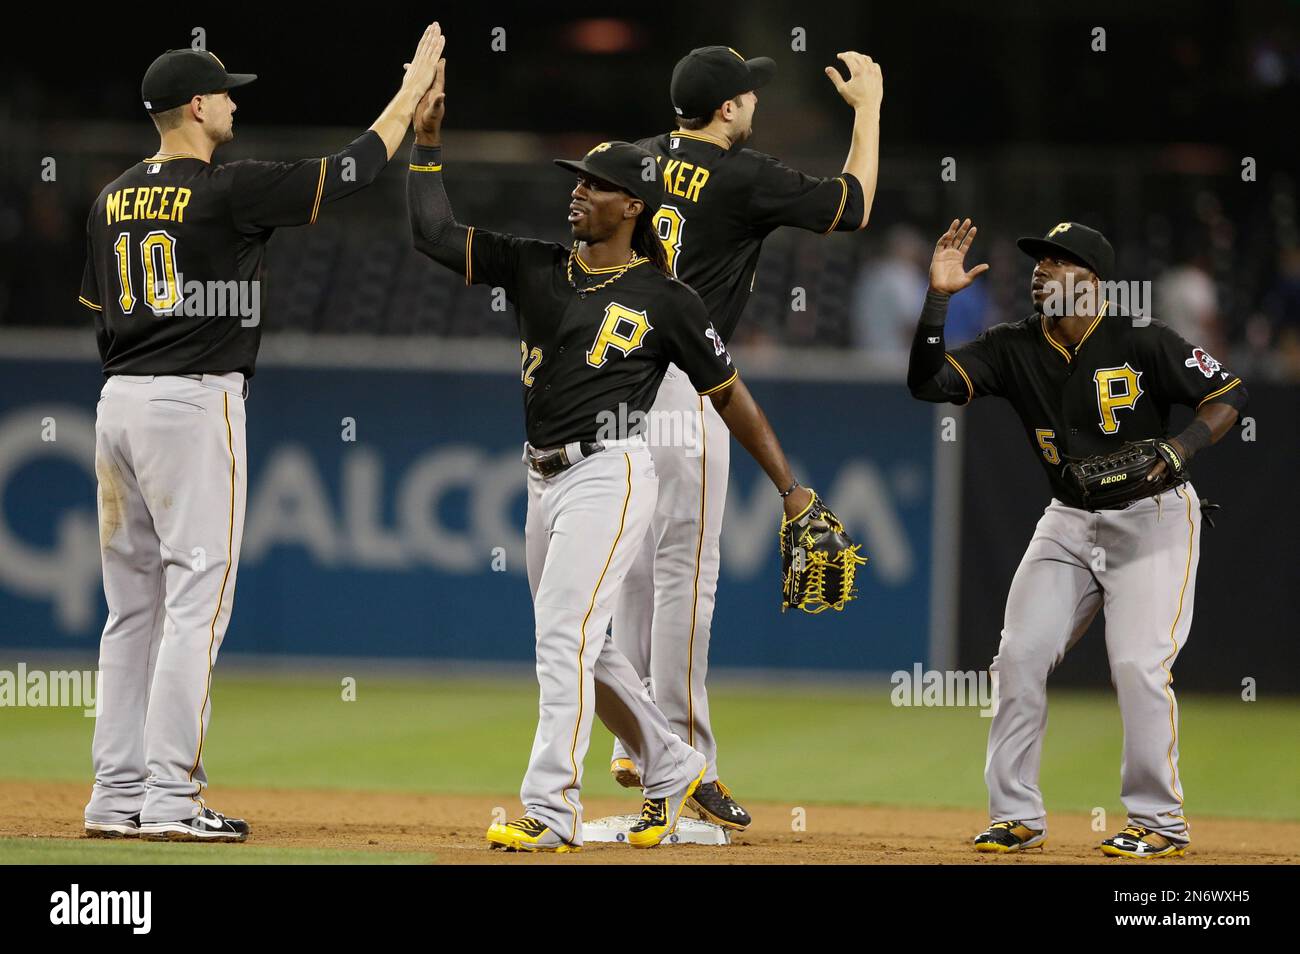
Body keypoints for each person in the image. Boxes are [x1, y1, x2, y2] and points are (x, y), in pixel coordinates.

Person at [407, 57, 831, 852]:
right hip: (541, 479)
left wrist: (790, 489)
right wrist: (425, 147)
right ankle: (671, 764)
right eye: (576, 180)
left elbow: (731, 395)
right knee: (586, 645)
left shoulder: (668, 298)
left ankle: (550, 809)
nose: (577, 191)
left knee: (561, 640)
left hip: (612, 473)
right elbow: (433, 233)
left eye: (595, 184)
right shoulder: (536, 264)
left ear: (633, 206)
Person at [78, 25, 445, 842]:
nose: (236, 103)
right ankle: (172, 798)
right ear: (197, 105)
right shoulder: (226, 188)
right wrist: (410, 93)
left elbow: (104, 314)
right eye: (227, 92)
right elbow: (351, 171)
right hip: (191, 406)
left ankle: (114, 797)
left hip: (118, 406)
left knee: (131, 612)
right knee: (195, 605)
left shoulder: (108, 198)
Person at [908, 219, 1248, 858]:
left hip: (1153, 518)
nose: (1041, 270)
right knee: (1018, 658)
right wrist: (938, 301)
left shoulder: (1144, 340)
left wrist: (1182, 445)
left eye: (1058, 261)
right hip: (1068, 519)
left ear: (1092, 283)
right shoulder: (1013, 345)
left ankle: (1159, 822)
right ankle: (1017, 815)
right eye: (1039, 260)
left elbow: (1229, 393)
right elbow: (929, 383)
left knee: (1138, 667)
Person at [611, 45, 883, 830]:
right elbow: (854, 204)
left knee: (628, 565)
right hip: (684, 379)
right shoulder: (743, 174)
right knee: (685, 575)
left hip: (613, 377)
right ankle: (686, 763)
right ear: (727, 108)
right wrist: (866, 107)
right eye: (749, 93)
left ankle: (634, 745)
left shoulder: (633, 160)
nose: (756, 103)